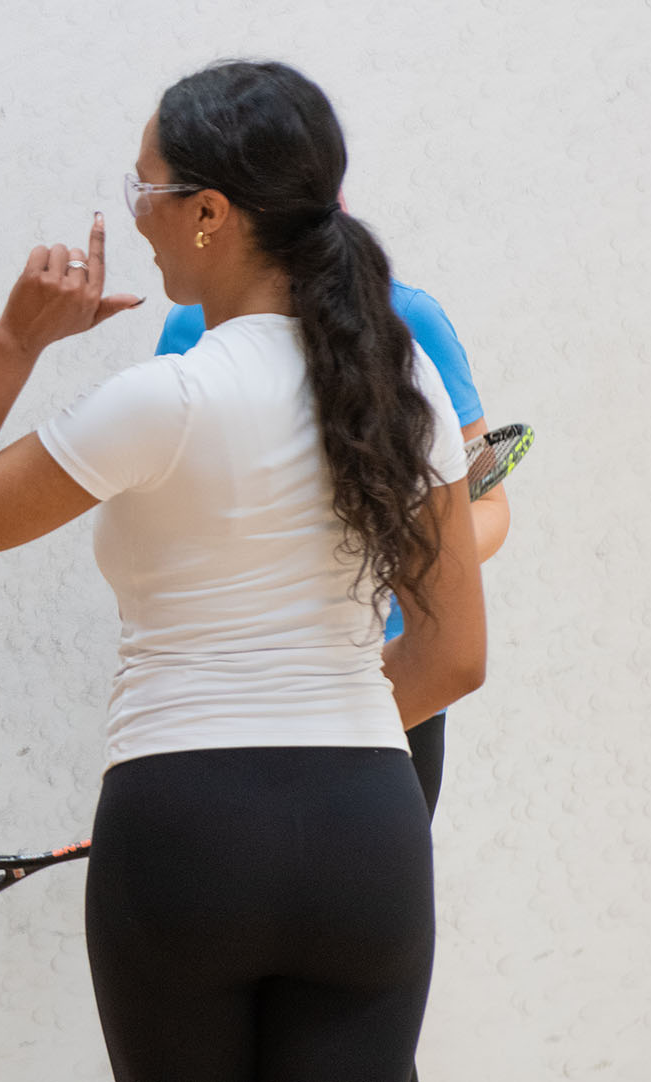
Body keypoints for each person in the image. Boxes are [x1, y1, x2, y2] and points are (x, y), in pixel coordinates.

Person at [0, 60, 487, 1082]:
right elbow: (456, 655)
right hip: (369, 832)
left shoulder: (166, 396)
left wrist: (15, 338)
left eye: (144, 188)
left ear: (210, 212)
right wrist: (317, 745)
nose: (137, 215)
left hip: (186, 832)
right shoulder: (404, 378)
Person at [156, 278, 514, 814]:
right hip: (236, 689)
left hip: (391, 683)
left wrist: (403, 556)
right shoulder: (191, 324)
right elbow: (166, 516)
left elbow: (489, 509)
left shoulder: (411, 318)